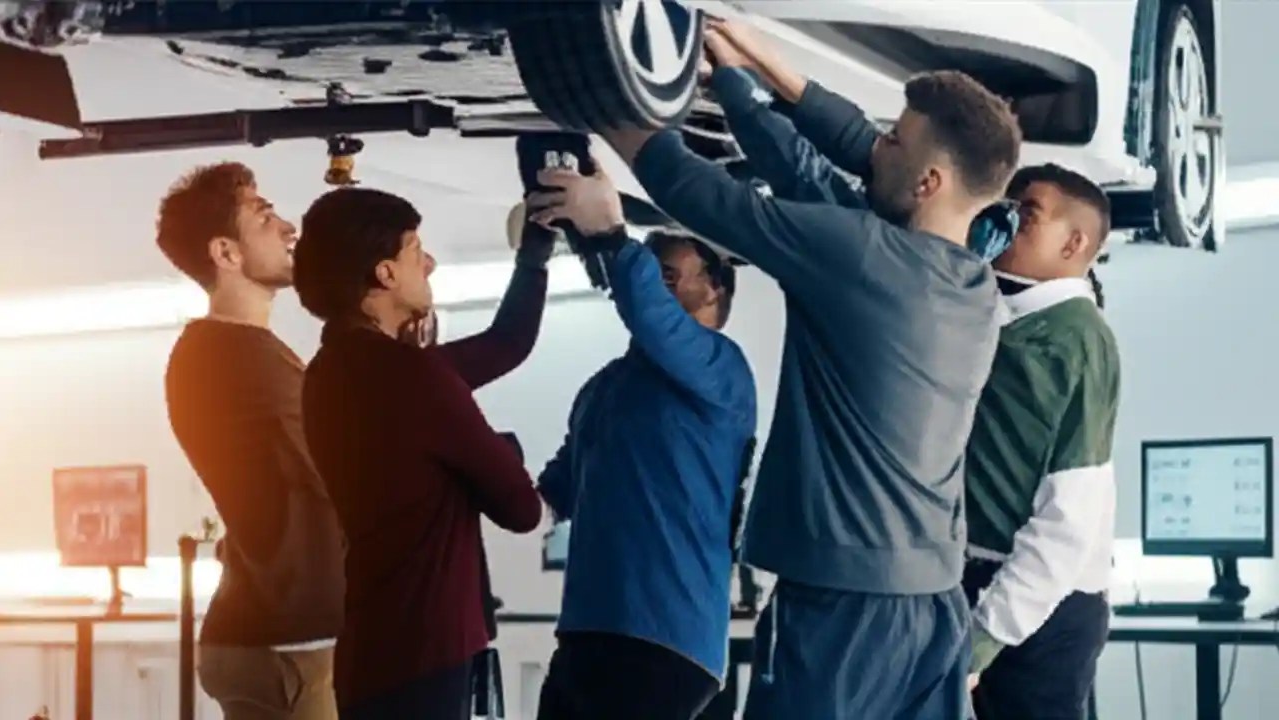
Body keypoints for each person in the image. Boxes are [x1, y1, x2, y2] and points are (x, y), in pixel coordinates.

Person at [547, 17, 1024, 718]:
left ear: (927, 180)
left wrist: (598, 91)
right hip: (931, 604)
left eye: (893, 136)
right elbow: (823, 168)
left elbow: (707, 195)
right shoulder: (972, 281)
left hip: (844, 607)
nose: (874, 143)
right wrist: (751, 76)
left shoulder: (864, 257)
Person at [292, 187, 547, 719]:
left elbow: (506, 343)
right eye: (415, 250)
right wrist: (504, 448)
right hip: (427, 650)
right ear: (385, 274)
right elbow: (522, 509)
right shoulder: (413, 375)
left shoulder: (330, 369)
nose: (428, 262)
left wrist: (534, 253)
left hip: (371, 650)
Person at [526, 166, 756, 720]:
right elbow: (556, 493)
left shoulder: (722, 369)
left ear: (716, 288)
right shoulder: (604, 388)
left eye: (670, 276)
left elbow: (653, 320)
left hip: (666, 641)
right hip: (587, 629)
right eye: (651, 274)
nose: (655, 282)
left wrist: (610, 233)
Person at [158, 162, 343, 720]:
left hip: (270, 631)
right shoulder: (239, 358)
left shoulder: (230, 351)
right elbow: (343, 468)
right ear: (226, 253)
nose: (288, 228)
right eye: (265, 218)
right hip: (289, 642)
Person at [962, 163, 1121, 720]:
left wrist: (985, 636)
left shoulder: (1078, 340)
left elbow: (1068, 521)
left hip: (1038, 606)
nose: (1006, 222)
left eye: (1027, 214)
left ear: (1075, 243)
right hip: (987, 587)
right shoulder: (1003, 315)